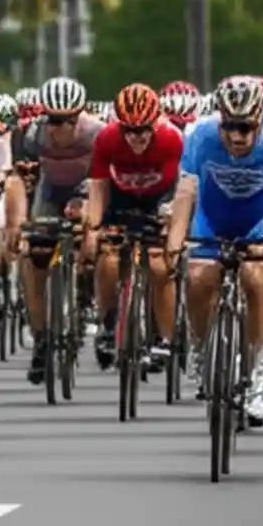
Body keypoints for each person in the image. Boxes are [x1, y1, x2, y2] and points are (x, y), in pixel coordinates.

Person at [164, 76, 263, 428]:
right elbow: (186, 192)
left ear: (261, 122)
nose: (237, 137)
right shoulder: (201, 137)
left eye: (246, 128)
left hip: (255, 222)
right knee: (199, 276)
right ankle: (202, 348)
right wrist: (175, 243)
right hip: (211, 220)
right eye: (230, 126)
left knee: (257, 278)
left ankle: (255, 378)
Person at [83, 84, 183, 372]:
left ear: (155, 124)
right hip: (120, 198)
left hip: (159, 200)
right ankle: (106, 320)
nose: (136, 137)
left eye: (142, 131)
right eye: (129, 130)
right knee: (108, 258)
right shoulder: (107, 139)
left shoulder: (171, 140)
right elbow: (99, 187)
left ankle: (164, 338)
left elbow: (182, 189)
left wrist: (173, 226)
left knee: (160, 267)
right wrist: (94, 228)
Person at [11, 76, 103, 384]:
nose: (59, 128)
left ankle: (84, 296)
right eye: (53, 119)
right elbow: (19, 184)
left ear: (81, 116)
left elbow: (104, 184)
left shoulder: (97, 133)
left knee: (92, 245)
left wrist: (92, 228)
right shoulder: (31, 135)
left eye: (68, 121)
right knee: (32, 260)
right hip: (48, 191)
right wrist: (17, 224)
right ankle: (41, 338)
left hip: (87, 187)